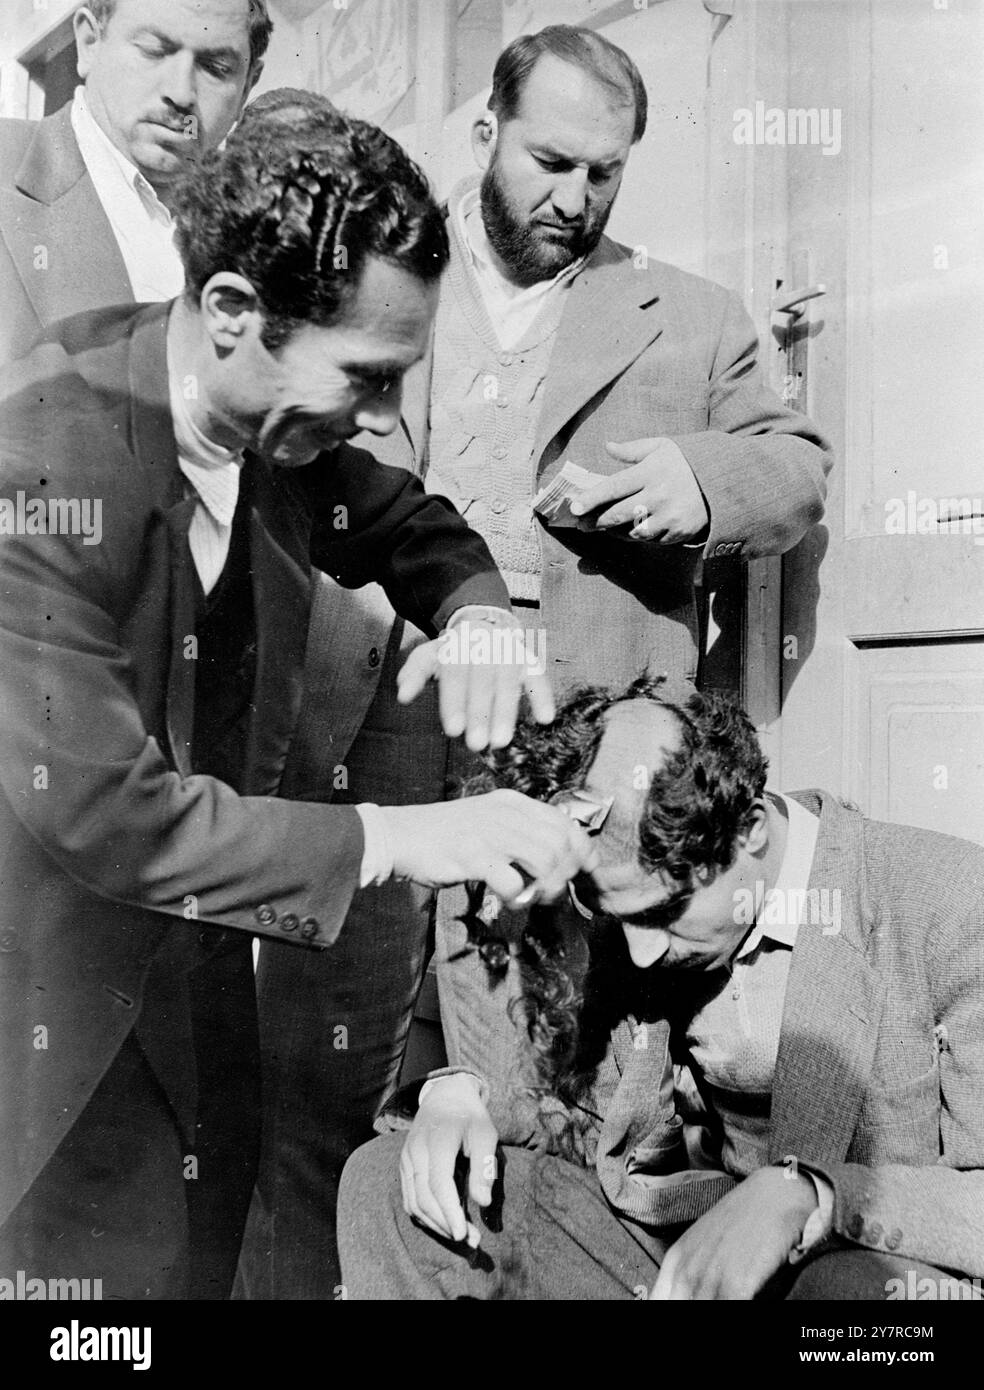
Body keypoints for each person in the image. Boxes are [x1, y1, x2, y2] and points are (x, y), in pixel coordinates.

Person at [247, 23, 834, 1298]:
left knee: (536, 1099)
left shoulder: (690, 316)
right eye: (550, 162)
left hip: (581, 752)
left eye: (604, 174)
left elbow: (798, 470)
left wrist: (697, 475)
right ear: (486, 134)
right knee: (320, 1076)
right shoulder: (384, 272)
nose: (574, 199)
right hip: (369, 736)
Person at [0, 106, 594, 1301]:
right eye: (366, 378)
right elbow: (114, 813)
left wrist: (477, 611)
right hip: (47, 1042)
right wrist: (408, 836)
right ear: (231, 313)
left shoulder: (276, 426)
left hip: (203, 1016)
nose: (379, 417)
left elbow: (405, 520)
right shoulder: (41, 467)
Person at [338, 677, 984, 1300]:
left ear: (750, 832)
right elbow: (600, 1126)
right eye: (619, 919)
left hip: (868, 1275)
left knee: (848, 1290)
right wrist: (458, 1097)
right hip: (690, 1253)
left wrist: (811, 1195)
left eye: (662, 913)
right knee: (385, 1185)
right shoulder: (642, 911)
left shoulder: (950, 902)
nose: (640, 953)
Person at [0, 0, 272, 366]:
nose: (180, 93)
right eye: (154, 50)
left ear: (247, 87)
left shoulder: (265, 233)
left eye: (215, 68)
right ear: (89, 42)